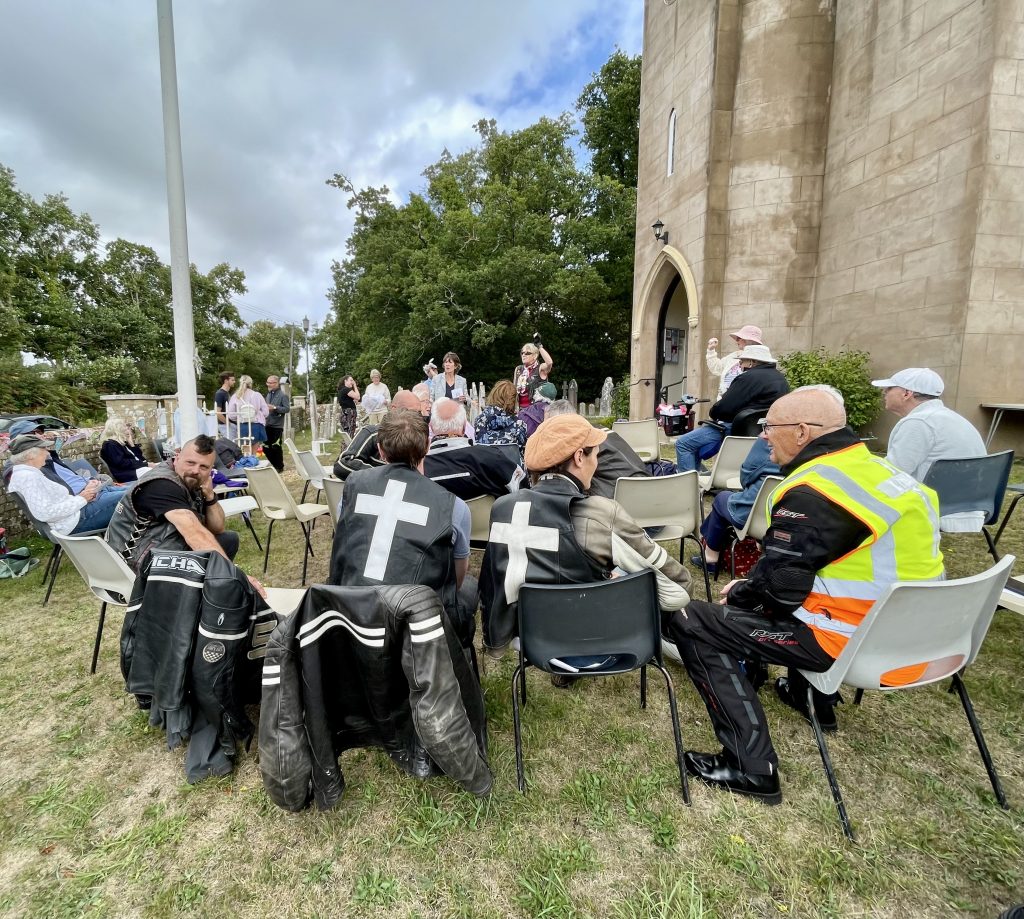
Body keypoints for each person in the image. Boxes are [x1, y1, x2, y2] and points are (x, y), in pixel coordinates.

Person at [666, 389, 943, 805]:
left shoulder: (815, 491)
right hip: (922, 637)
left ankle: (750, 766)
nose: (762, 435)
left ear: (801, 432)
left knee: (693, 620)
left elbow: (780, 589)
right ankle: (808, 695)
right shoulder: (886, 473)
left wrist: (739, 593)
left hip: (851, 641)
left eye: (769, 426)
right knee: (802, 588)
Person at [479, 413, 692, 673]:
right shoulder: (601, 514)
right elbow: (678, 591)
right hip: (598, 645)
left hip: (529, 642)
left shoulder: (502, 508)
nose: (597, 462)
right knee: (629, 573)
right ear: (579, 457)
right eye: (596, 455)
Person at [328, 408, 477, 646]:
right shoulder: (454, 507)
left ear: (380, 449)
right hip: (416, 623)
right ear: (427, 446)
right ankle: (454, 662)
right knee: (468, 586)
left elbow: (346, 546)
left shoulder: (353, 488)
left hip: (352, 610)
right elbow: (456, 578)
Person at [105, 435, 265, 598]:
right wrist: (236, 575)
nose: (195, 471)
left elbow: (217, 528)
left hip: (159, 554)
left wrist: (210, 496)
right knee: (211, 555)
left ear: (211, 470)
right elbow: (194, 533)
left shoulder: (190, 481)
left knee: (228, 540)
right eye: (191, 463)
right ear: (177, 458)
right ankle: (204, 599)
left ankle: (211, 595)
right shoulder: (161, 484)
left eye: (204, 467)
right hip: (130, 573)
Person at [872, 367, 987, 531]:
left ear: (907, 393)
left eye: (889, 388)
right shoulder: (951, 418)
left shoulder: (919, 422)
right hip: (971, 508)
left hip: (936, 510)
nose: (884, 392)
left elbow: (891, 473)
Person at [675, 343, 789, 472]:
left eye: (742, 361)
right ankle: (695, 478)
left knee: (683, 443)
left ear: (751, 362)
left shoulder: (747, 378)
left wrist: (713, 412)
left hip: (735, 428)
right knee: (695, 446)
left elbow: (724, 408)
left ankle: (687, 483)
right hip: (761, 429)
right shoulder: (780, 378)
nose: (740, 364)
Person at [691, 438, 780, 575]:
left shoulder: (767, 441)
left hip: (751, 517)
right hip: (786, 519)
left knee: (722, 498)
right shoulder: (812, 451)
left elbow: (745, 477)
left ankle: (710, 557)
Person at [7, 434, 123, 535]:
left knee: (130, 492)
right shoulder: (28, 477)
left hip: (74, 515)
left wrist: (82, 496)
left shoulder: (27, 474)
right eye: (44, 449)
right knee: (129, 496)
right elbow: (45, 513)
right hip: (74, 522)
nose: (47, 453)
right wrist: (82, 499)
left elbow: (54, 502)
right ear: (30, 455)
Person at [424, 398, 527, 499]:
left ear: (431, 427)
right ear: (464, 427)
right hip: (489, 510)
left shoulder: (419, 466)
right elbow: (522, 490)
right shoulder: (491, 457)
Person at [545, 399, 650, 498]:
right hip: (650, 485)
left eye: (548, 426)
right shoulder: (598, 429)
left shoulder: (578, 442)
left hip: (622, 495)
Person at [706, 325, 763, 397]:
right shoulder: (734, 356)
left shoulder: (760, 360)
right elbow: (717, 368)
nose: (736, 340)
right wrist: (711, 351)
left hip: (745, 402)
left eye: (739, 338)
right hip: (725, 401)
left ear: (748, 340)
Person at [475, 380, 527, 452]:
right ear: (514, 400)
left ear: (493, 395)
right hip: (509, 459)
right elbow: (522, 450)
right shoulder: (519, 424)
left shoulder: (480, 420)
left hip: (483, 458)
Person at [99, 418, 155, 483]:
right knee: (156, 472)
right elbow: (122, 463)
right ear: (118, 429)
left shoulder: (122, 443)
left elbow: (140, 458)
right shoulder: (110, 445)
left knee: (161, 467)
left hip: (137, 469)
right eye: (124, 426)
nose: (127, 428)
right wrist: (145, 464)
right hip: (127, 474)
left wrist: (131, 443)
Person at [226, 375, 270, 450]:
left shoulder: (235, 396)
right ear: (250, 383)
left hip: (243, 425)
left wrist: (240, 416)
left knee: (245, 448)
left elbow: (231, 415)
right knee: (254, 449)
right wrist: (258, 415)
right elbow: (266, 412)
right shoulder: (257, 395)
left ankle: (247, 456)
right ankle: (253, 456)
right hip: (256, 424)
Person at [514, 335, 554, 409]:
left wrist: (539, 346)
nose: (524, 355)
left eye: (527, 353)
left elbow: (549, 363)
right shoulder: (518, 369)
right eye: (522, 353)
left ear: (535, 356)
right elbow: (514, 389)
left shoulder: (540, 368)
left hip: (536, 409)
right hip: (520, 409)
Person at [263, 375, 290, 473]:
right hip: (267, 424)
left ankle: (279, 467)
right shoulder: (268, 394)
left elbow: (287, 409)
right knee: (265, 447)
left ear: (277, 383)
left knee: (276, 447)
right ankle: (274, 465)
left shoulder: (283, 395)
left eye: (271, 383)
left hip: (277, 425)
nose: (268, 385)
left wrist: (274, 408)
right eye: (268, 382)